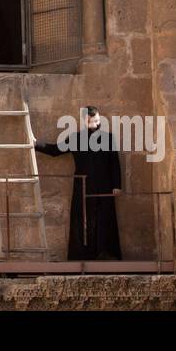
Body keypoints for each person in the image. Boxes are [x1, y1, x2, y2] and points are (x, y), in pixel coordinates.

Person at [35, 106, 122, 260]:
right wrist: (36, 144)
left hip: (104, 187)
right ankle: (82, 256)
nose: (96, 124)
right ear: (85, 121)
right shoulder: (76, 138)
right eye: (92, 121)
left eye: (97, 120)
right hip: (83, 186)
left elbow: (114, 163)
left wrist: (117, 185)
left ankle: (106, 254)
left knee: (104, 219)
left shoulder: (108, 138)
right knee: (82, 220)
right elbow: (56, 150)